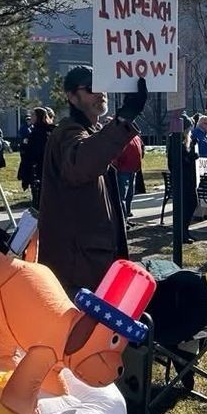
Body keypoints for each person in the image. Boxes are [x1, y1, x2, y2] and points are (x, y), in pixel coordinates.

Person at [37, 66, 147, 295]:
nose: (101, 93)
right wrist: (125, 117)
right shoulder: (68, 132)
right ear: (71, 96)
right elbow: (81, 163)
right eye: (91, 88)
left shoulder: (90, 131)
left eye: (104, 87)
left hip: (89, 259)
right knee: (82, 329)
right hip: (77, 266)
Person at [168, 116, 199, 243]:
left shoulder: (189, 140)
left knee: (192, 203)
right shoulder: (175, 139)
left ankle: (185, 230)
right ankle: (182, 232)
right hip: (181, 179)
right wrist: (191, 157)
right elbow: (175, 161)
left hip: (190, 178)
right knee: (184, 206)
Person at [17, 107, 55, 209]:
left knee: (40, 202)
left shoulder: (41, 132)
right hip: (39, 170)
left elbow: (37, 152)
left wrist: (26, 147)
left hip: (40, 170)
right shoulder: (37, 131)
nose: (31, 118)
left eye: (33, 115)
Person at [113, 133, 144, 222]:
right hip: (123, 170)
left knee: (130, 193)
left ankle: (127, 212)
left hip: (132, 170)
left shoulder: (136, 137)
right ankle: (123, 218)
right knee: (123, 194)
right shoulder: (121, 138)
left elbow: (141, 148)